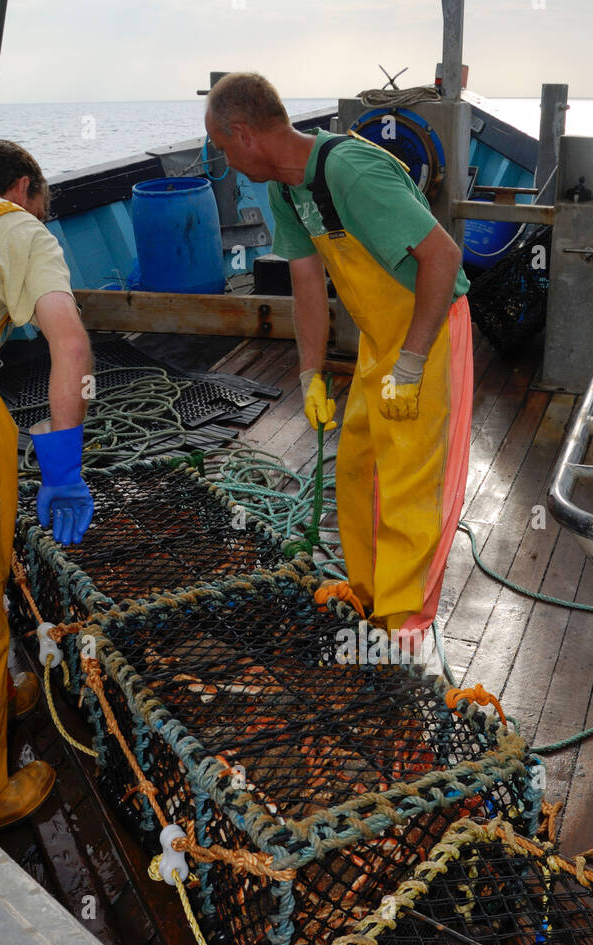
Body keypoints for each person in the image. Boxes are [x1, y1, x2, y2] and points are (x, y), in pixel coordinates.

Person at [205, 74, 473, 644]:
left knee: (407, 481)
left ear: (244, 134)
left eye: (223, 149)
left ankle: (405, 624)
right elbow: (307, 285)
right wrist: (310, 372)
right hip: (380, 340)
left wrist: (412, 363)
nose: (223, 162)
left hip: (429, 335)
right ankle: (370, 594)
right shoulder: (284, 189)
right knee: (356, 467)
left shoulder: (352, 171)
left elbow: (443, 258)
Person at [0, 138, 94, 832]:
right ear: (21, 189)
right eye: (43, 202)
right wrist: (64, 473)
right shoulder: (19, 228)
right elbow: (68, 343)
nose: (44, 215)